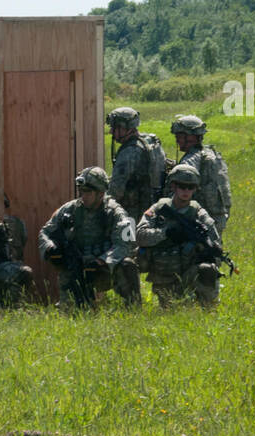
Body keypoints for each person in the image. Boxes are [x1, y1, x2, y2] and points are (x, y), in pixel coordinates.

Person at [38, 166, 140, 309]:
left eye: (88, 192)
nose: (83, 196)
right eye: (81, 191)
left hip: (103, 270)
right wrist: (49, 247)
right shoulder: (70, 209)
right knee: (72, 313)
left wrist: (102, 261)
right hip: (75, 267)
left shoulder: (117, 213)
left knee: (127, 265)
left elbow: (126, 245)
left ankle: (134, 309)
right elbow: (45, 231)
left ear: (100, 193)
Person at [137, 163, 226, 308]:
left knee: (208, 268)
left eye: (190, 187)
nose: (186, 191)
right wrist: (165, 233)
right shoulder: (159, 209)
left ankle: (209, 307)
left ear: (195, 189)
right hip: (163, 275)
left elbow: (214, 240)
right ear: (173, 186)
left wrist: (209, 249)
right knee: (170, 309)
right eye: (182, 186)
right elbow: (140, 235)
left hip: (189, 274)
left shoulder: (198, 213)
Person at [166, 115, 232, 234]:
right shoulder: (211, 154)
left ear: (191, 137)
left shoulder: (191, 159)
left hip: (200, 219)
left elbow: (178, 191)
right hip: (218, 216)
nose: (177, 140)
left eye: (179, 136)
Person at [105, 108, 157, 220]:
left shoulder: (129, 152)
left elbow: (116, 190)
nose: (111, 132)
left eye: (114, 128)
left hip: (131, 214)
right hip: (143, 210)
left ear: (125, 128)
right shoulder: (144, 142)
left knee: (127, 238)